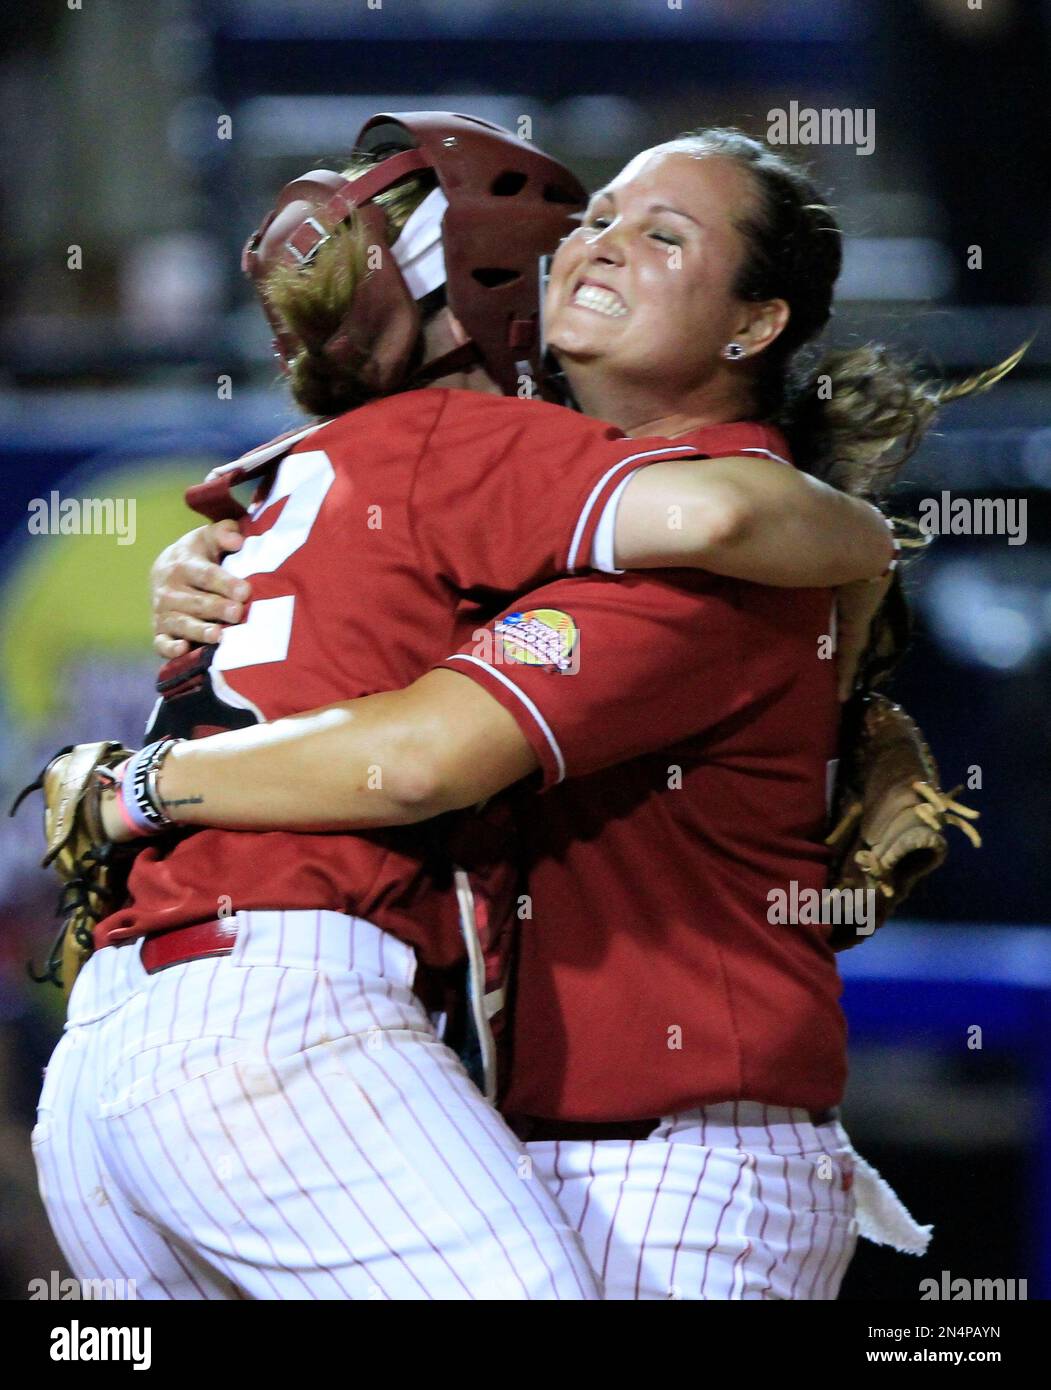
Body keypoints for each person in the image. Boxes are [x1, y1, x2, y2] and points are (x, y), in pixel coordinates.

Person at [34, 117, 974, 1301]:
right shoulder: (531, 496)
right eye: (594, 221)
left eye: (663, 234)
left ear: (754, 322)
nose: (600, 246)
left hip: (671, 1170)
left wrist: (134, 784)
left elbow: (426, 753)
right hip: (479, 1126)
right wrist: (214, 579)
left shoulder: (706, 545)